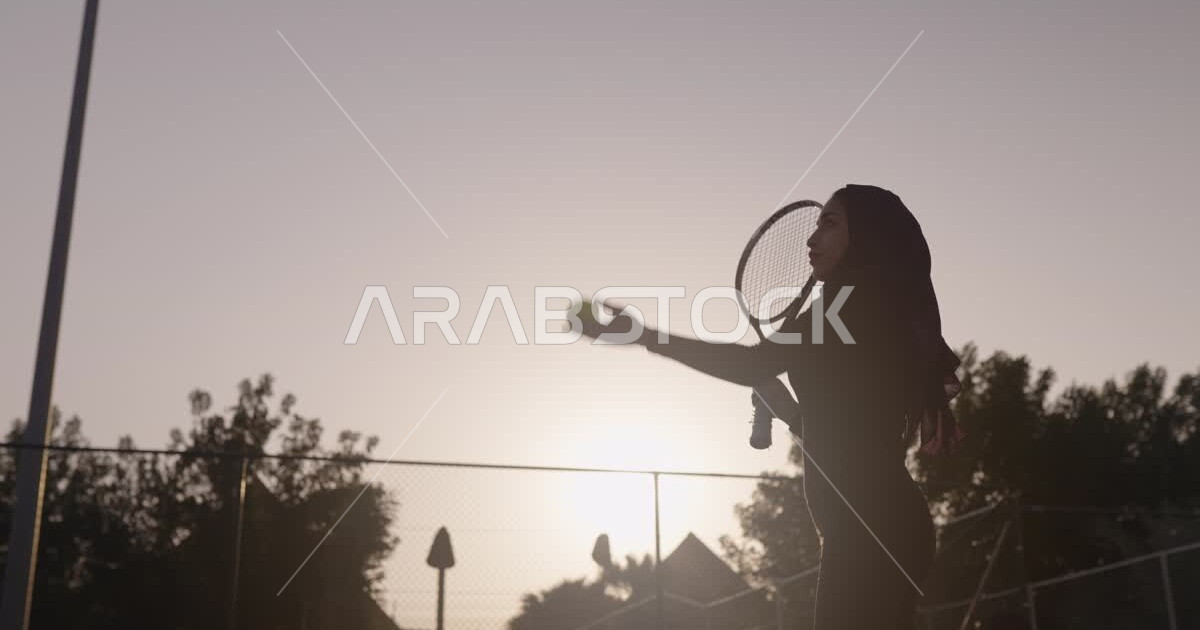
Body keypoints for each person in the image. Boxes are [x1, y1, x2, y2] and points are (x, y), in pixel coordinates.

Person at [579, 184, 964, 629]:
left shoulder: (845, 310)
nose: (812, 237)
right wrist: (788, 411)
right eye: (817, 223)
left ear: (868, 237)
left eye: (831, 223)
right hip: (880, 523)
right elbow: (835, 423)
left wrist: (644, 336)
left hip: (868, 527)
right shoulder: (854, 310)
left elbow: (750, 363)